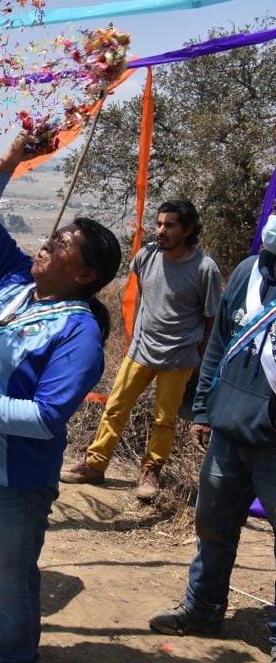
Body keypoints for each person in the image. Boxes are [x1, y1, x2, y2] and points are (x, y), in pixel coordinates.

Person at [0, 132, 122, 663]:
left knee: (7, 575)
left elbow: (45, 417)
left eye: (64, 246)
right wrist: (14, 158)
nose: (50, 242)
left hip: (17, 474)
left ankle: (16, 661)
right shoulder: (13, 280)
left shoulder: (78, 333)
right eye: (55, 234)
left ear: (85, 276)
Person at [147, 214, 276, 663]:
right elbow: (219, 342)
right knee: (213, 529)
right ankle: (202, 609)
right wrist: (202, 409)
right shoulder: (247, 272)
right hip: (228, 432)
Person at [61, 200, 221, 500]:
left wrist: (201, 356)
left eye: (169, 225)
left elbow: (211, 316)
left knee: (165, 419)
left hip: (179, 357)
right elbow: (144, 296)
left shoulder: (204, 269)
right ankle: (95, 465)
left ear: (187, 230)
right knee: (115, 407)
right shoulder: (146, 255)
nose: (161, 230)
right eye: (159, 223)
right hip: (141, 351)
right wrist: (136, 335)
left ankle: (151, 472)